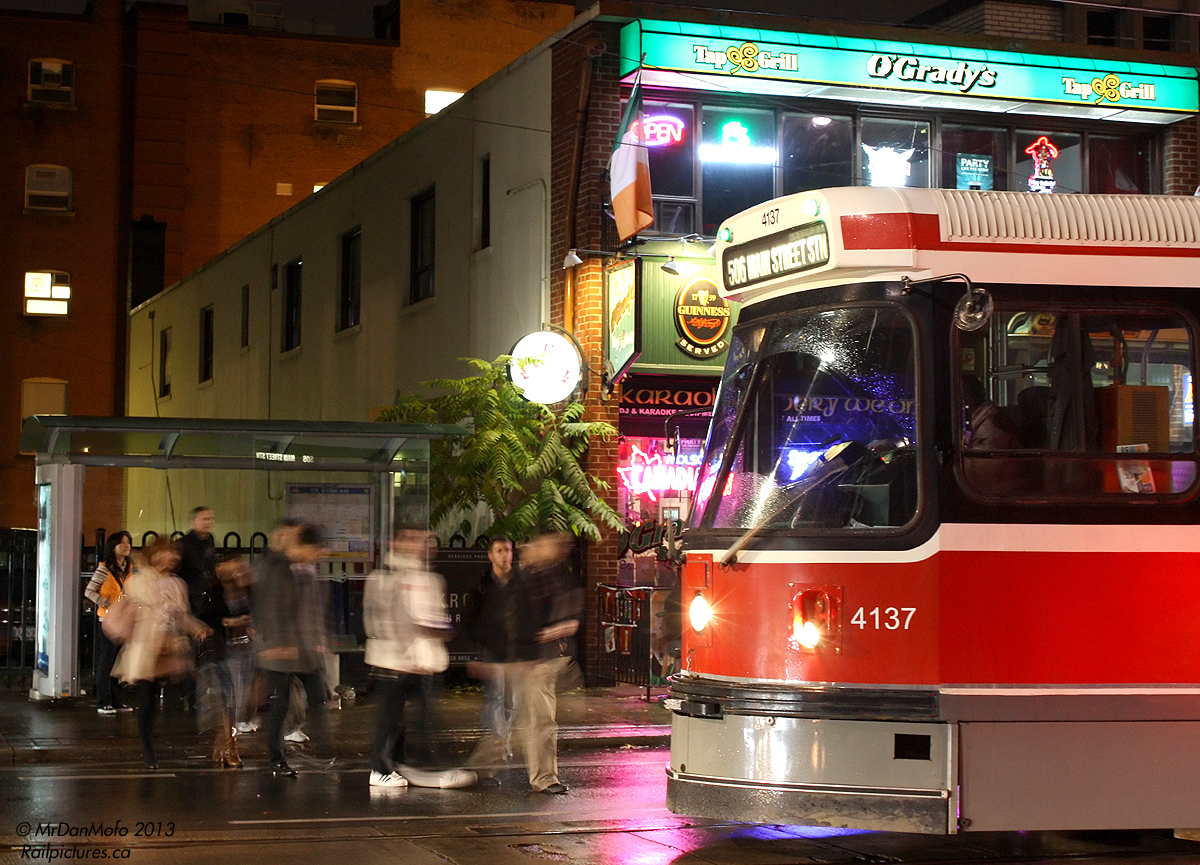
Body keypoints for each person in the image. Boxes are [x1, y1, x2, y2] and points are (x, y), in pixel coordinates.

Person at [465, 534, 581, 794]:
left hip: (540, 659)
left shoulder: (550, 577)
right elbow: (505, 621)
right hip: (530, 660)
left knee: (527, 721)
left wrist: (561, 629)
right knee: (530, 721)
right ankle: (536, 777)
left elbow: (567, 613)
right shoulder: (524, 581)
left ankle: (482, 767)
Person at [363, 528, 474, 789]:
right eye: (412, 539)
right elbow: (383, 621)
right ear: (396, 542)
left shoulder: (428, 578)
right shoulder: (384, 577)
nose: (421, 544)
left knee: (419, 717)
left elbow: (435, 615)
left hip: (422, 662)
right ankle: (380, 769)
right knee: (390, 718)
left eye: (424, 539)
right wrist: (409, 647)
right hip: (391, 662)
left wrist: (437, 635)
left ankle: (402, 764)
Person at [111, 539, 210, 768]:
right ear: (156, 555)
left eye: (175, 554)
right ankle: (148, 749)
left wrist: (197, 628)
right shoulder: (140, 580)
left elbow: (181, 615)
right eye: (167, 552)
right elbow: (142, 606)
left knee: (176, 693)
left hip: (170, 647)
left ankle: (167, 742)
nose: (172, 558)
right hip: (147, 648)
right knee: (148, 698)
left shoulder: (177, 584)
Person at [252, 519, 332, 777]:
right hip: (280, 650)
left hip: (303, 648)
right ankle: (277, 758)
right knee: (279, 705)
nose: (317, 556)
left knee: (318, 698)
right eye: (315, 550)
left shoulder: (303, 569)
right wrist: (275, 645)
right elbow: (270, 609)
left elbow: (312, 610)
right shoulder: (276, 566)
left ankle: (317, 750)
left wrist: (318, 641)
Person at [84, 531, 135, 715]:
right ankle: (103, 701)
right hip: (107, 620)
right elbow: (89, 591)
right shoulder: (104, 569)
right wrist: (106, 602)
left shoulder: (129, 569)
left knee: (118, 662)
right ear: (112, 546)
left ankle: (117, 701)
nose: (126, 545)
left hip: (124, 621)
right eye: (121, 542)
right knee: (106, 661)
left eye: (128, 542)